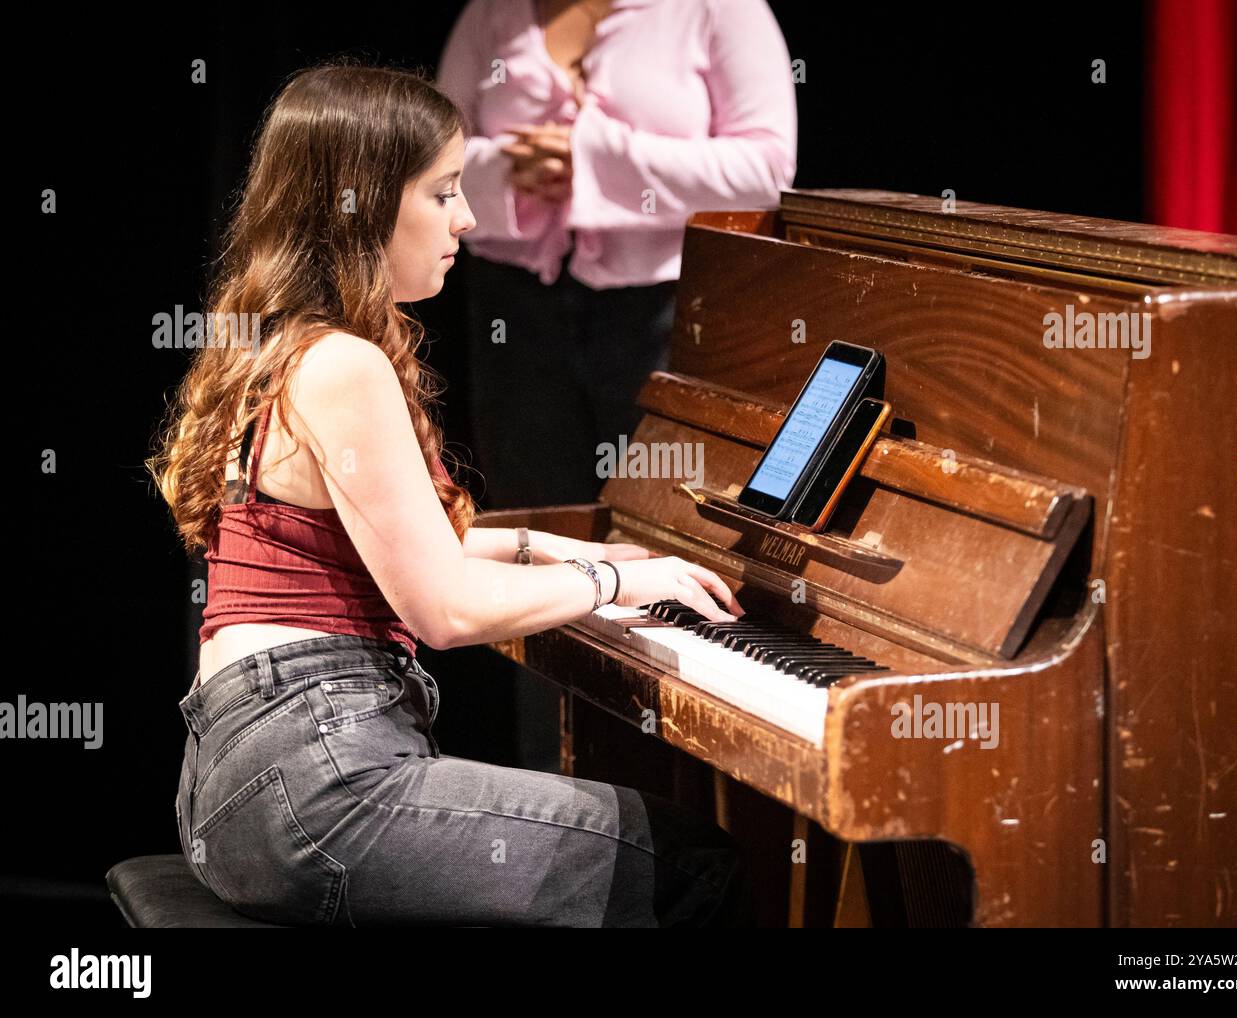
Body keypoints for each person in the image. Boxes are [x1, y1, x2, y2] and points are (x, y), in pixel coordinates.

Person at [146, 63, 755, 927]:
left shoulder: (282, 344)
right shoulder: (344, 366)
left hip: (244, 779)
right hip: (317, 784)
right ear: (360, 205)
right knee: (694, 860)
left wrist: (567, 550)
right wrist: (619, 586)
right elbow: (444, 611)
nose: (467, 219)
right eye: (442, 193)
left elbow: (399, 541)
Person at [437, 0, 798, 508]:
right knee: (535, 514)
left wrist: (596, 157)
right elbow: (433, 153)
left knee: (662, 510)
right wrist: (510, 168)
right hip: (514, 308)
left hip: (666, 309)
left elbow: (767, 168)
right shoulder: (492, 12)